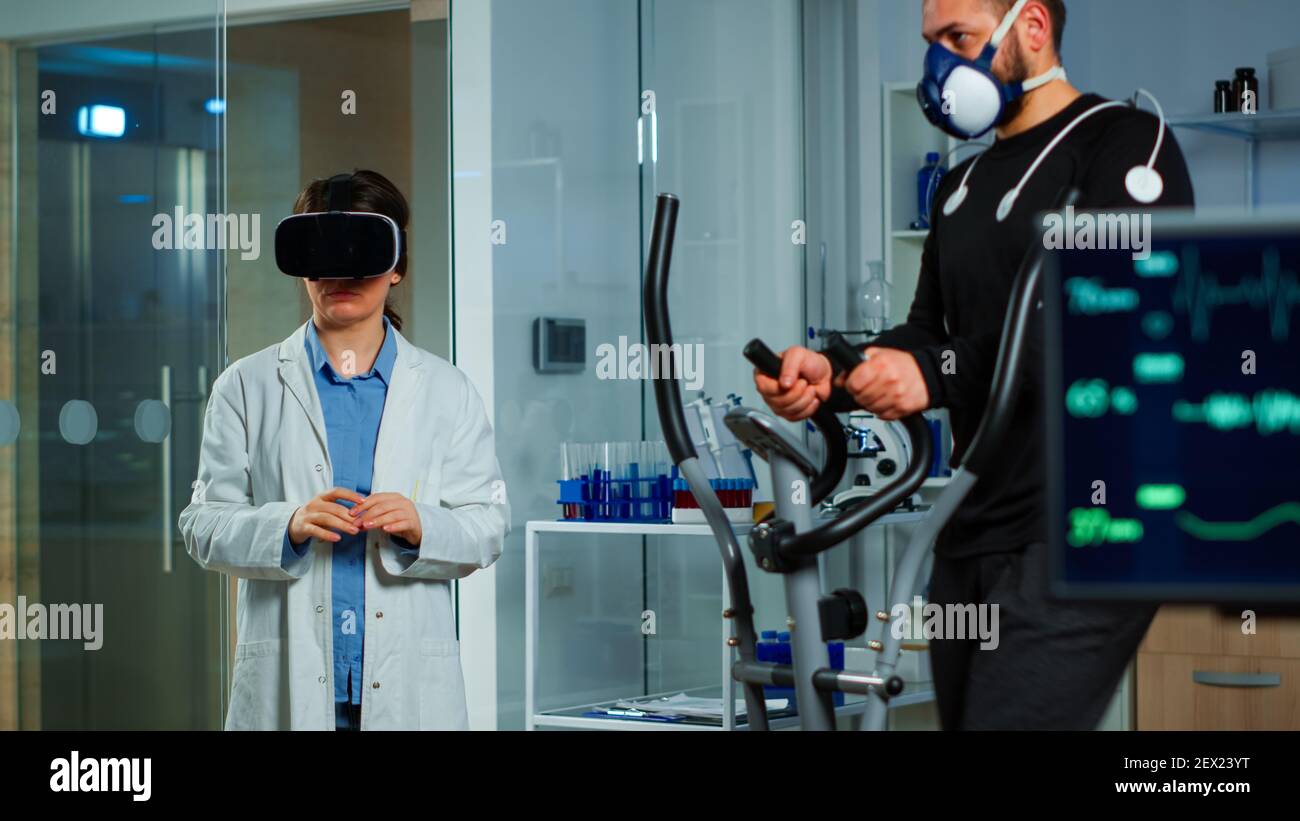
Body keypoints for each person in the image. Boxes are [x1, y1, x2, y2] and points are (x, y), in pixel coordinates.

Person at [754, 0, 1194, 729]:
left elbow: (1103, 317)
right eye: (932, 43)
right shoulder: (960, 184)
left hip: (1086, 525)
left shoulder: (1123, 142)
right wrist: (834, 376)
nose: (940, 65)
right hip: (971, 525)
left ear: (1032, 27)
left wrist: (935, 374)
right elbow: (926, 331)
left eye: (958, 39)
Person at [178, 169, 508, 731]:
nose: (342, 275)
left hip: (409, 689)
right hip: (288, 683)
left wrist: (421, 524)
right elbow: (202, 524)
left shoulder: (447, 390)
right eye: (324, 253)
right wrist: (288, 524)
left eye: (363, 253)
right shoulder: (246, 385)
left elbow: (489, 524)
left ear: (397, 263)